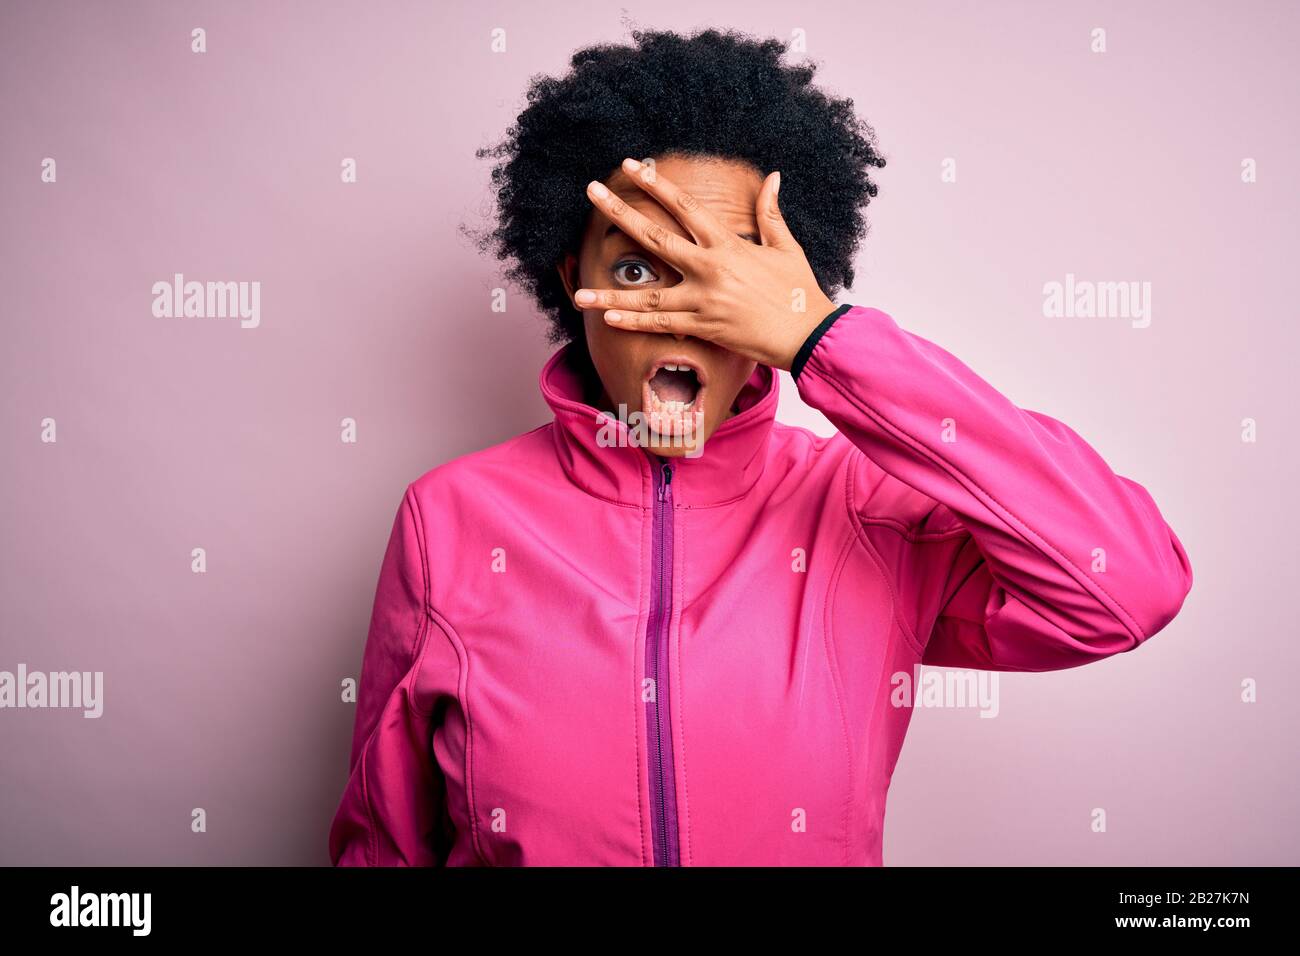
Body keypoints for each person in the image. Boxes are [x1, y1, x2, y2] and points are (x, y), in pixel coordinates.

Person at [328, 28, 1192, 866]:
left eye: (731, 282)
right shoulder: (449, 517)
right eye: (636, 268)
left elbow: (1127, 588)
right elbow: (385, 844)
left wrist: (824, 338)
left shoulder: (865, 510)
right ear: (573, 279)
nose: (688, 315)